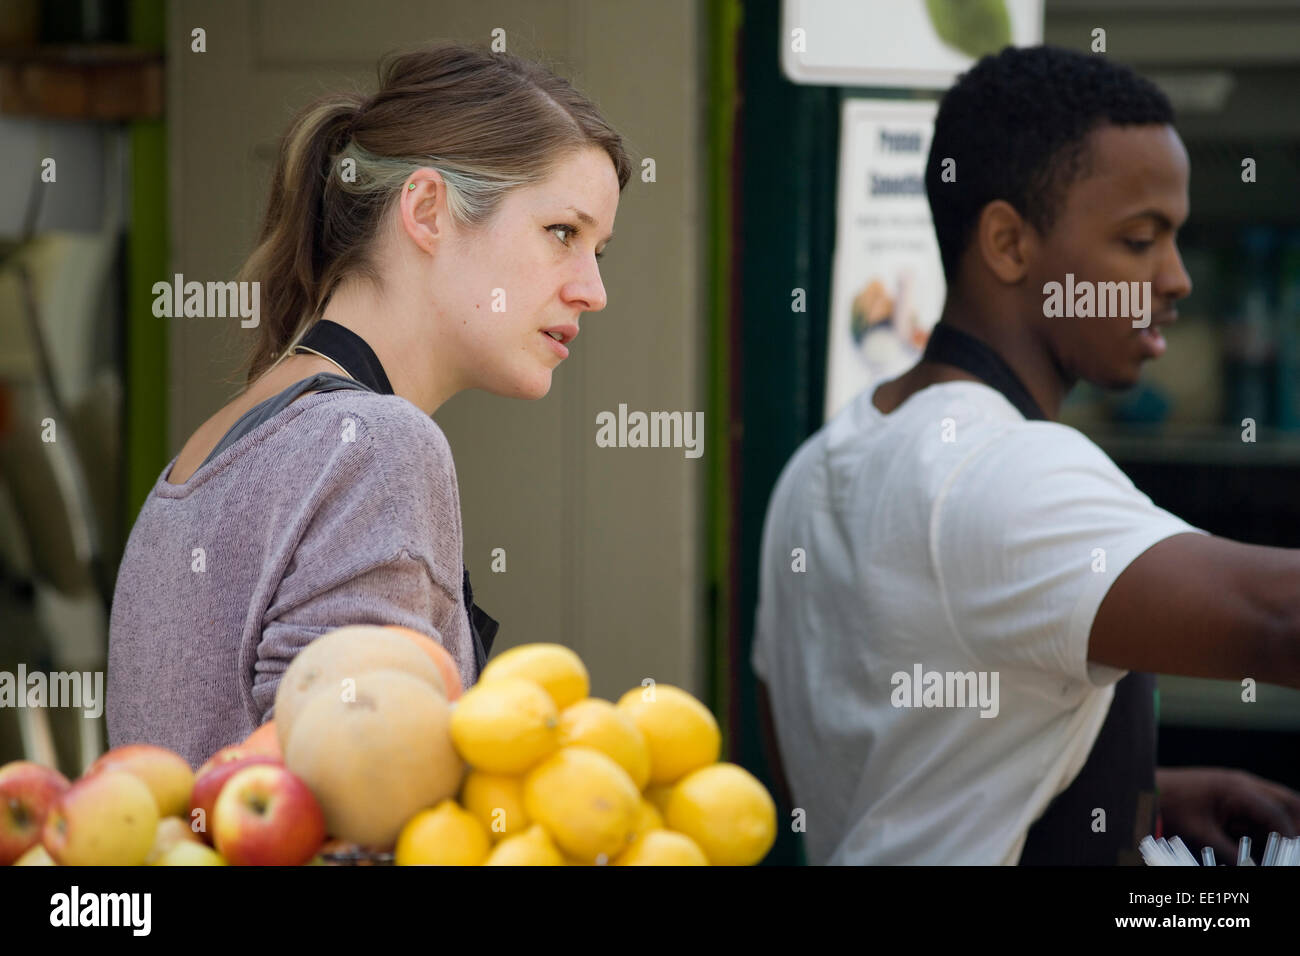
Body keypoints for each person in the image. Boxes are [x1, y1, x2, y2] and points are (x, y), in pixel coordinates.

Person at [752, 45, 1300, 865]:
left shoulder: (828, 457)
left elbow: (871, 770)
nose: (1177, 278)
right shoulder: (1002, 469)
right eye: (1140, 239)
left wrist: (1141, 790)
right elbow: (1278, 622)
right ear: (1008, 243)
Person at [107, 42, 628, 769]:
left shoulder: (216, 445)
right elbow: (350, 805)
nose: (592, 290)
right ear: (426, 211)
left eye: (598, 251)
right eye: (562, 233)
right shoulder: (378, 442)